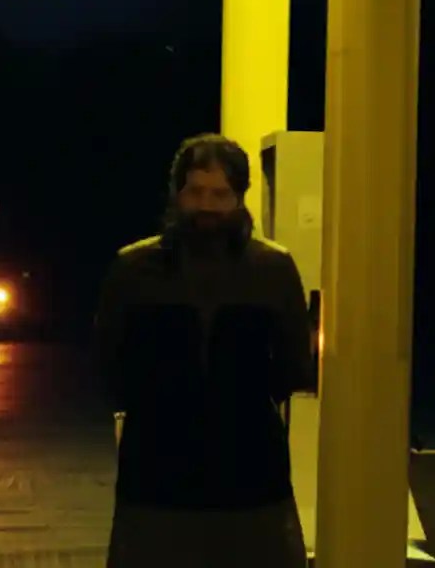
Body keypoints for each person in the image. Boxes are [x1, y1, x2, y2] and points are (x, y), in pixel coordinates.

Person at [94, 133, 312, 567]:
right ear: (178, 193)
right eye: (197, 192)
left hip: (247, 478)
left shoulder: (274, 269)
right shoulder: (133, 270)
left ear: (239, 198)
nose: (207, 206)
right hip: (160, 481)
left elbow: (294, 366)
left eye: (219, 194)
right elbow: (109, 366)